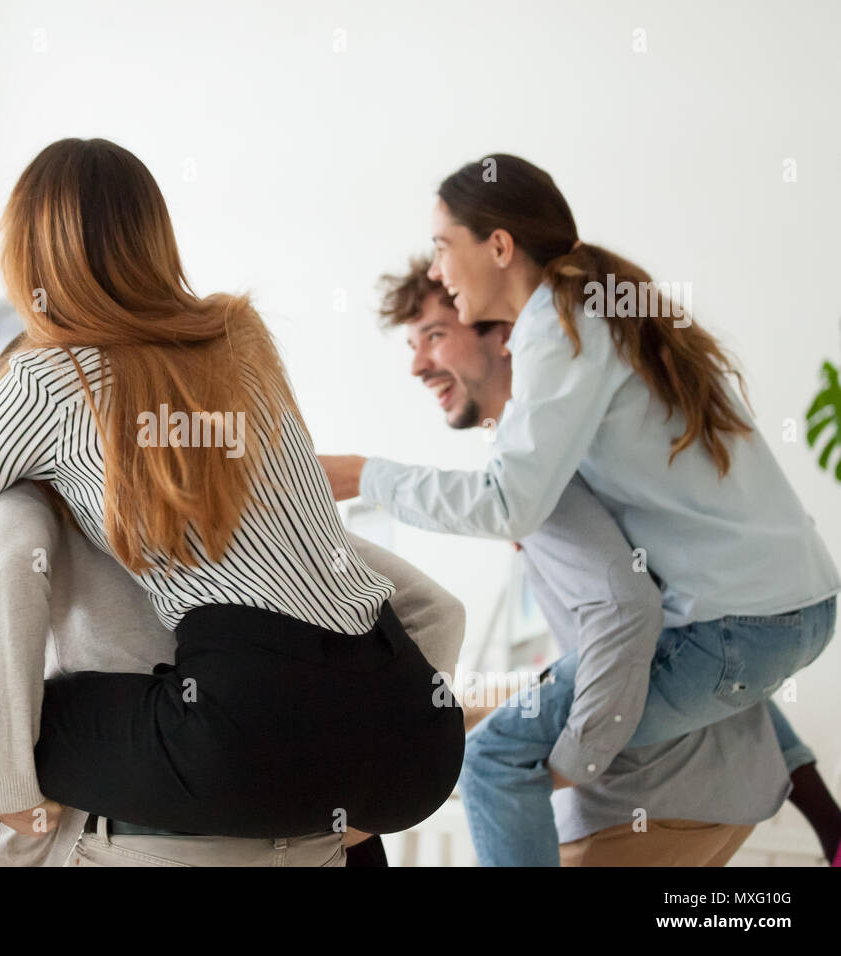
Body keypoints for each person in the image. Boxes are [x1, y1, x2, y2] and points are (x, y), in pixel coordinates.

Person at [0, 138, 464, 865]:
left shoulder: (45, 377)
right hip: (412, 735)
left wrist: (28, 476)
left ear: (29, 255)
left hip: (244, 728)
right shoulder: (239, 339)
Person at [319, 160, 839, 866]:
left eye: (445, 245)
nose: (442, 269)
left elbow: (538, 530)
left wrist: (362, 475)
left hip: (721, 680)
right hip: (792, 607)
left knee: (497, 761)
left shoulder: (555, 335)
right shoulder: (595, 324)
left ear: (499, 248)